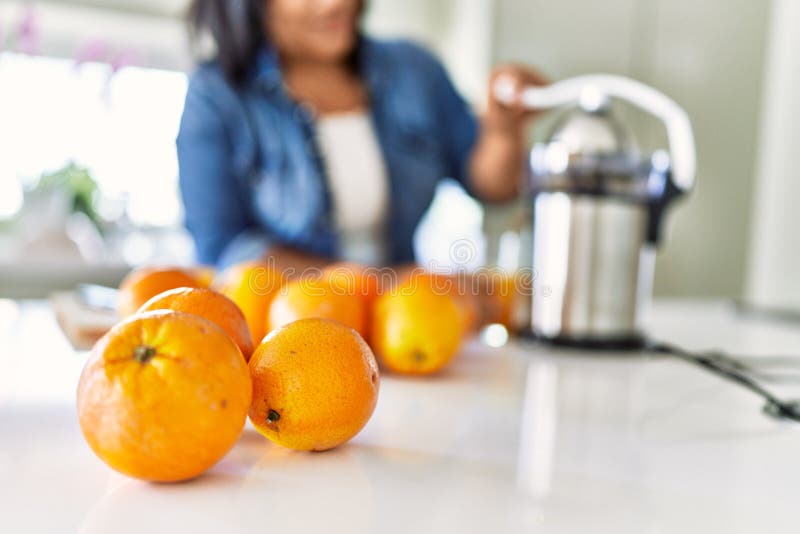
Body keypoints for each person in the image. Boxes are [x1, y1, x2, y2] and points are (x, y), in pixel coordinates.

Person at [178, 0, 545, 272]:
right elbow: (222, 250)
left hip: (404, 333)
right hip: (288, 339)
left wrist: (503, 132)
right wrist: (375, 286)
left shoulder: (414, 70)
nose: (336, 4)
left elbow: (493, 188)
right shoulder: (216, 95)